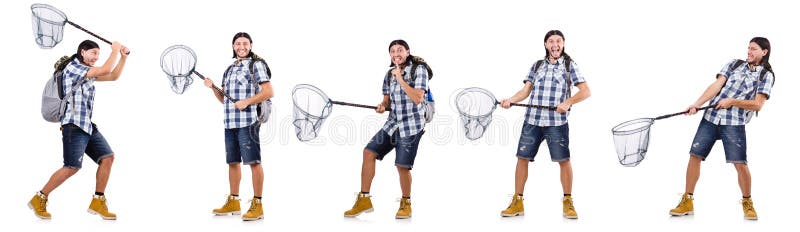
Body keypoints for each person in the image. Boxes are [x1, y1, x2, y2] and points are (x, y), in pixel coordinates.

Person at [669, 37, 774, 220]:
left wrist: (732, 102)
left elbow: (758, 105)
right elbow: (716, 86)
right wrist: (696, 104)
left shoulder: (766, 75)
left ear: (764, 52)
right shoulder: (734, 64)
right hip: (711, 118)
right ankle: (687, 200)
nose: (749, 52)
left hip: (734, 123)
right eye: (748, 48)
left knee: (740, 164)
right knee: (695, 156)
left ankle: (747, 202)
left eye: (754, 49)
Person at [29, 39, 129, 220]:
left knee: (107, 158)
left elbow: (113, 75)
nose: (96, 57)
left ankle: (98, 201)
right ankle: (40, 197)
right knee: (72, 167)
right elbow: (106, 69)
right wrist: (114, 50)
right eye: (93, 53)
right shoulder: (74, 68)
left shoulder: (87, 72)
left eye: (98, 54)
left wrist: (122, 57)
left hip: (87, 126)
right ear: (82, 52)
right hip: (73, 126)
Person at [499, 30, 591, 219]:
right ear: (546, 45)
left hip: (556, 123)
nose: (555, 44)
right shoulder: (537, 65)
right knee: (522, 158)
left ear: (563, 44)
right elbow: (526, 91)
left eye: (558, 41)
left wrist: (567, 102)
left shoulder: (569, 65)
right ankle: (517, 202)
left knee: (563, 161)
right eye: (551, 41)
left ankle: (568, 202)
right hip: (532, 120)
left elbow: (585, 91)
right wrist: (511, 100)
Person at [343, 39, 428, 219]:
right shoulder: (389, 74)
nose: (396, 54)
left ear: (407, 52)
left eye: (400, 50)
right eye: (392, 51)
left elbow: (418, 98)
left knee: (402, 167)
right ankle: (364, 199)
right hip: (392, 123)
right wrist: (382, 105)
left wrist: (401, 78)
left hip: (411, 126)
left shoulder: (419, 70)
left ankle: (406, 203)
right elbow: (386, 100)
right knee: (368, 152)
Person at [205, 32, 273, 221]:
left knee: (253, 162)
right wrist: (213, 88)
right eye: (237, 44)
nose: (241, 46)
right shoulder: (229, 69)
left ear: (250, 45)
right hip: (230, 123)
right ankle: (234, 201)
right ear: (233, 46)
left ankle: (258, 204)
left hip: (248, 123)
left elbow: (269, 91)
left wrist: (247, 102)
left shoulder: (256, 65)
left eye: (244, 43)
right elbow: (223, 99)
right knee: (233, 162)